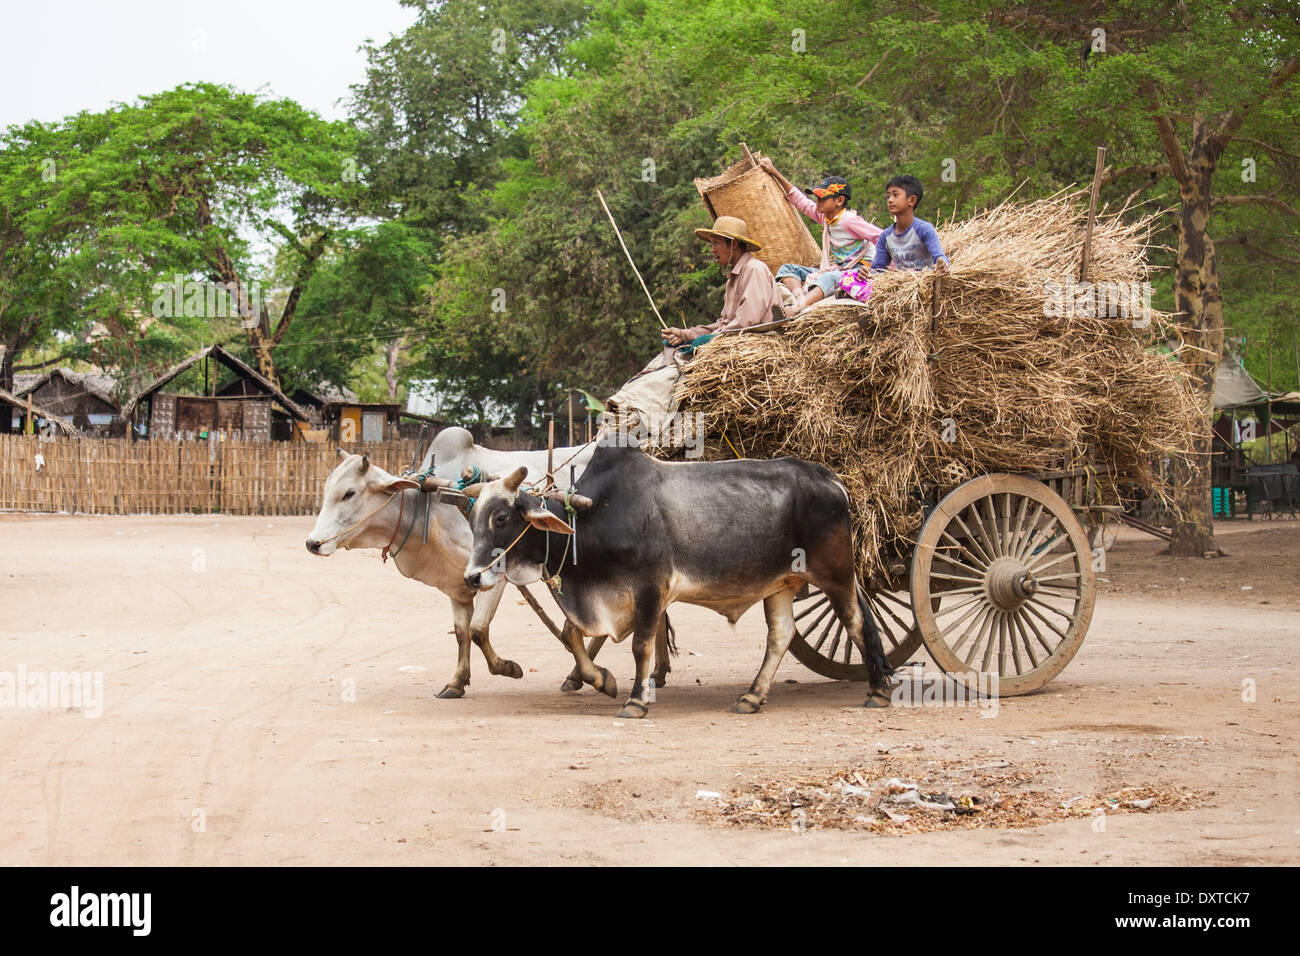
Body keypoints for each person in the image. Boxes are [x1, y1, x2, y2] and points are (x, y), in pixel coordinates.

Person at [607, 215, 780, 419]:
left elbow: (746, 322)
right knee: (670, 350)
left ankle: (657, 409)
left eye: (716, 243)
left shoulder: (754, 270)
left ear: (732, 244)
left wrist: (709, 340)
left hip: (751, 347)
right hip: (732, 342)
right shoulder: (732, 279)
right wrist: (685, 335)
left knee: (679, 370)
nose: (712, 250)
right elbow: (724, 322)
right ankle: (643, 403)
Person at [759, 158, 883, 316]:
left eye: (822, 198)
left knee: (831, 277)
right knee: (787, 269)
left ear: (840, 200)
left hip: (857, 271)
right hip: (839, 269)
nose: (817, 202)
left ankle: (796, 308)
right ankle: (800, 299)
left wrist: (874, 269)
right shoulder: (826, 218)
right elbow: (800, 201)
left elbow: (882, 238)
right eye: (817, 198)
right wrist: (774, 172)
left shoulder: (849, 220)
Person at [870, 174, 949, 272]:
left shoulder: (924, 229)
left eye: (895, 195)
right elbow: (877, 269)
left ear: (912, 200)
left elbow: (939, 257)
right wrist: (867, 274)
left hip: (926, 282)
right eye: (888, 196)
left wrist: (942, 265)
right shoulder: (885, 237)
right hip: (903, 285)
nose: (890, 200)